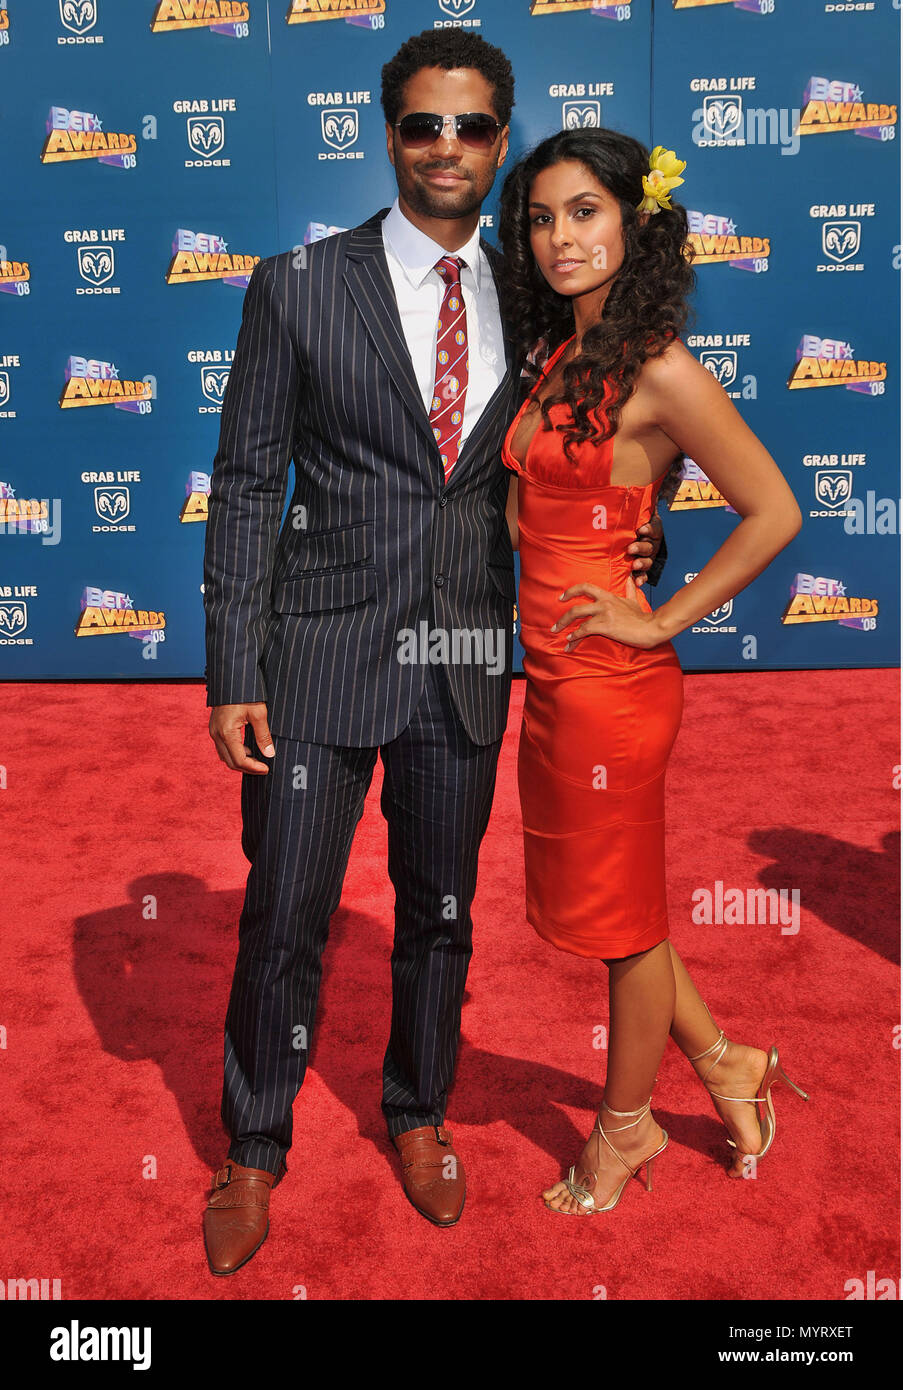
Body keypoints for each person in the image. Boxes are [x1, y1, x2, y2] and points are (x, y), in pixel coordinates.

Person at [200, 33, 664, 1272]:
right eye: (422, 126)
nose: (445, 149)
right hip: (316, 655)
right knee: (284, 912)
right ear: (388, 133)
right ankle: (253, 1142)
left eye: (469, 128)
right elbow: (246, 486)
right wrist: (235, 669)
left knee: (438, 915)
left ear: (501, 140)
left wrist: (639, 531)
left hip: (464, 650)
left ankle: (418, 1110)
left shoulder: (535, 292)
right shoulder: (294, 285)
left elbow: (598, 436)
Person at [496, 128, 809, 1215]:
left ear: (636, 221)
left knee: (621, 925)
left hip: (611, 688)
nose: (560, 238)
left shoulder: (662, 365)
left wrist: (658, 616)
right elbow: (570, 497)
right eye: (540, 217)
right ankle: (731, 1064)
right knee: (613, 906)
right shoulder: (555, 350)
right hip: (549, 678)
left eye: (584, 212)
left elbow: (774, 509)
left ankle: (622, 1134)